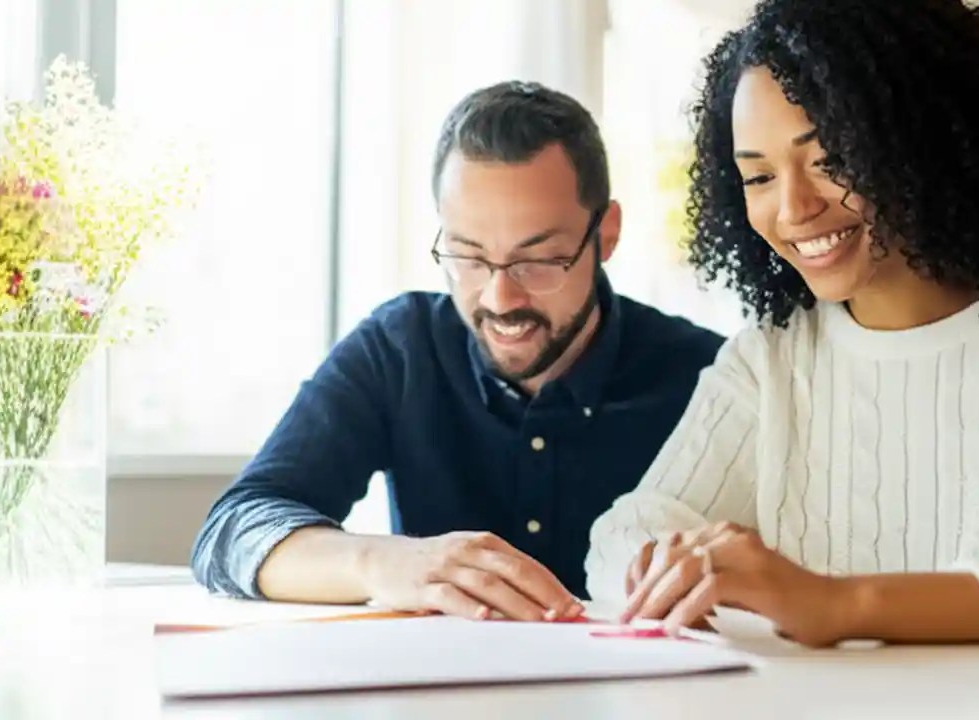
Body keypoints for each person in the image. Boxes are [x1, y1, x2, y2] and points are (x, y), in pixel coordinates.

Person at [585, 0, 979, 649]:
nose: (794, 207)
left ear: (925, 141)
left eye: (831, 159)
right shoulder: (771, 359)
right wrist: (676, 571)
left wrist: (843, 605)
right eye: (758, 175)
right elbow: (624, 536)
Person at [191, 81, 724, 622]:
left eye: (536, 260)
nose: (500, 298)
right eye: (468, 257)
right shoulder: (400, 348)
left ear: (605, 235)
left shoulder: (712, 380)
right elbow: (235, 529)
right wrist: (384, 562)